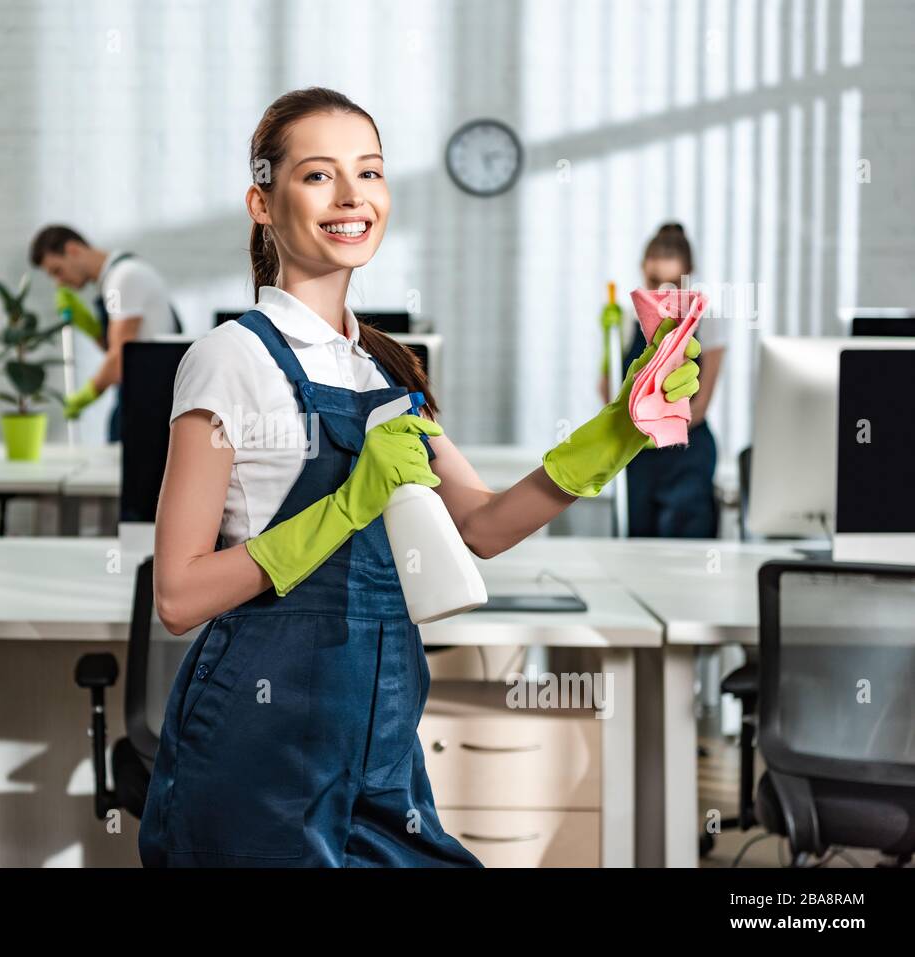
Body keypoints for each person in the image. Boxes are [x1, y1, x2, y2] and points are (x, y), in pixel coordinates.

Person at [137, 87, 701, 867]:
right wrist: (344, 506)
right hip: (258, 744)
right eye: (317, 176)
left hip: (381, 737)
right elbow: (178, 593)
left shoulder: (386, 369)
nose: (351, 197)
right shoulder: (228, 359)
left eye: (369, 173)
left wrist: (617, 431)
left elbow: (485, 527)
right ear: (260, 202)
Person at [600, 223, 726, 537]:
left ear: (689, 276)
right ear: (642, 270)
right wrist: (608, 340)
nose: (663, 294)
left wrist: (653, 428)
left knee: (684, 547)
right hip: (638, 459)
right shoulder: (626, 321)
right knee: (638, 549)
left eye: (673, 284)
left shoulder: (708, 322)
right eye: (654, 282)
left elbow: (701, 405)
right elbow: (609, 394)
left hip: (687, 454)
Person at [30, 225, 180, 442]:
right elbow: (119, 348)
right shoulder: (114, 279)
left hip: (150, 404)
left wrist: (85, 396)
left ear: (72, 250)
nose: (59, 282)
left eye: (57, 270)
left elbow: (120, 358)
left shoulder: (123, 278)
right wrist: (89, 326)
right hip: (139, 394)